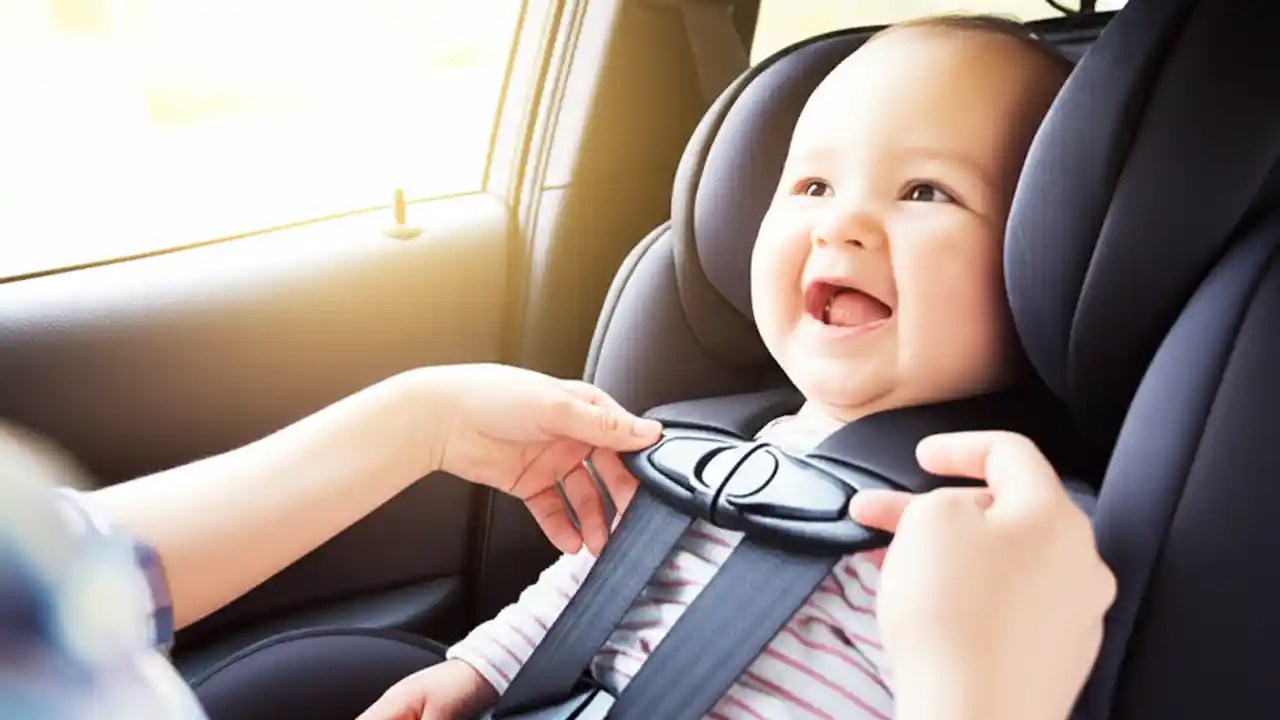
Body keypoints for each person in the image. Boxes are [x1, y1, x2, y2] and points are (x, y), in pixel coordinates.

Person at [360, 15, 1114, 720]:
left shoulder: (1015, 526)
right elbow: (594, 584)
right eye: (814, 185)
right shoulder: (716, 443)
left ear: (1044, 261)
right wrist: (476, 671)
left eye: (926, 192)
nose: (840, 222)